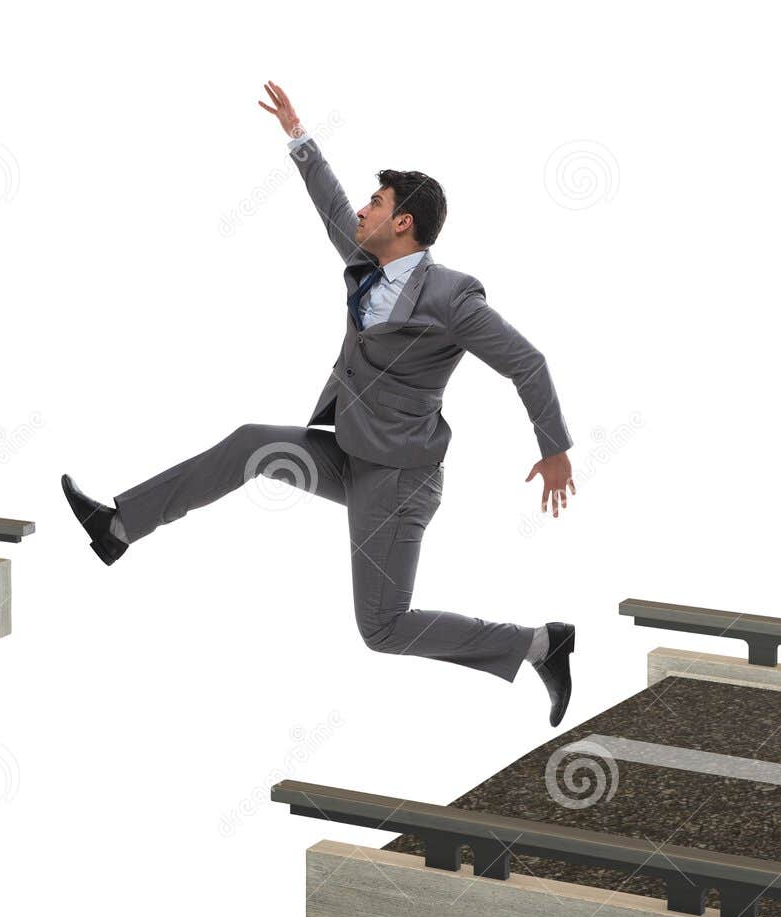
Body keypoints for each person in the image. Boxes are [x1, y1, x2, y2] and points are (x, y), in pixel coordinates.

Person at [63, 81, 578, 725]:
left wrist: (554, 448)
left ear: (404, 222)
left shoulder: (452, 299)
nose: (362, 211)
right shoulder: (365, 263)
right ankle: (117, 528)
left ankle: (539, 644)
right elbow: (330, 204)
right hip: (349, 450)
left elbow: (526, 361)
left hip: (398, 481)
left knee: (383, 627)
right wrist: (298, 137)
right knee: (253, 443)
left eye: (377, 202)